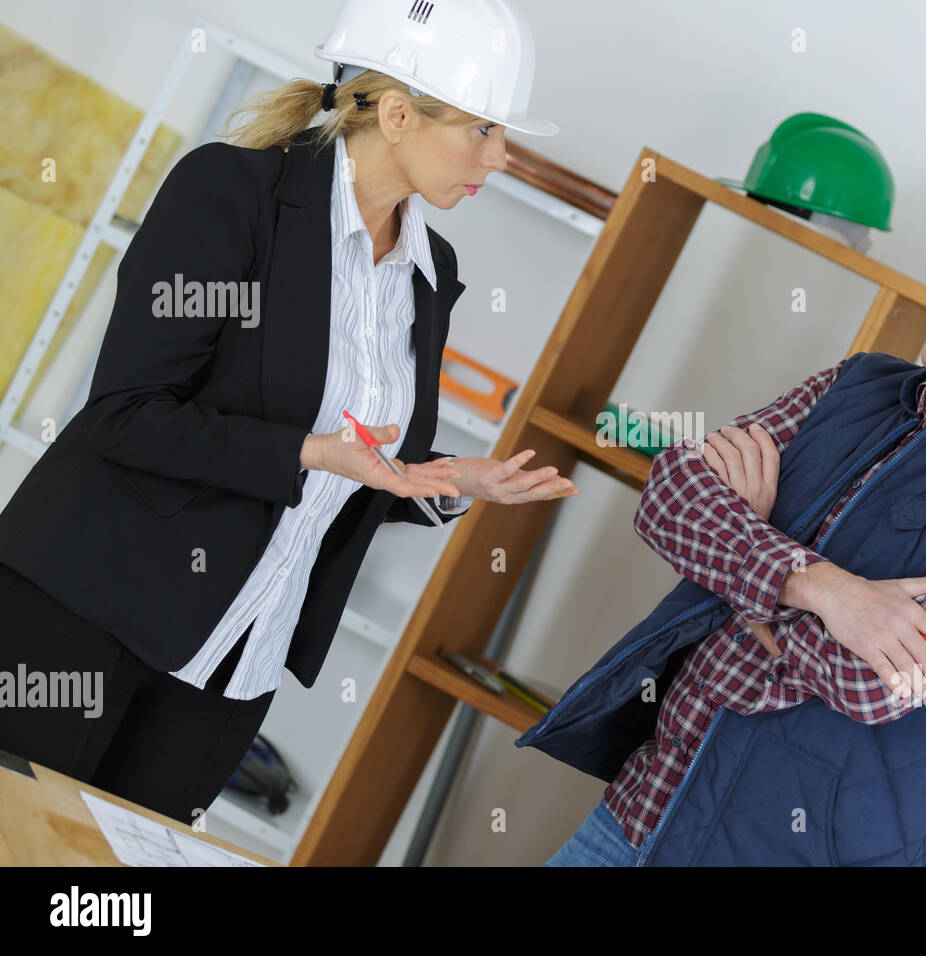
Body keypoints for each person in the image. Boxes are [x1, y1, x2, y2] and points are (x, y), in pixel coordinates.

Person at [0, 0, 573, 826]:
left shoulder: (428, 268)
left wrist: (438, 482)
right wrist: (309, 453)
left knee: (116, 907)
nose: (504, 157)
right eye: (485, 129)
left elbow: (355, 465)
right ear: (401, 115)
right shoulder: (231, 193)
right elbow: (124, 416)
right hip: (90, 614)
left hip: (240, 661)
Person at [525, 173, 926, 866]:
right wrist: (821, 589)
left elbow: (869, 678)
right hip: (634, 813)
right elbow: (674, 495)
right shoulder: (855, 386)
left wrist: (746, 547)